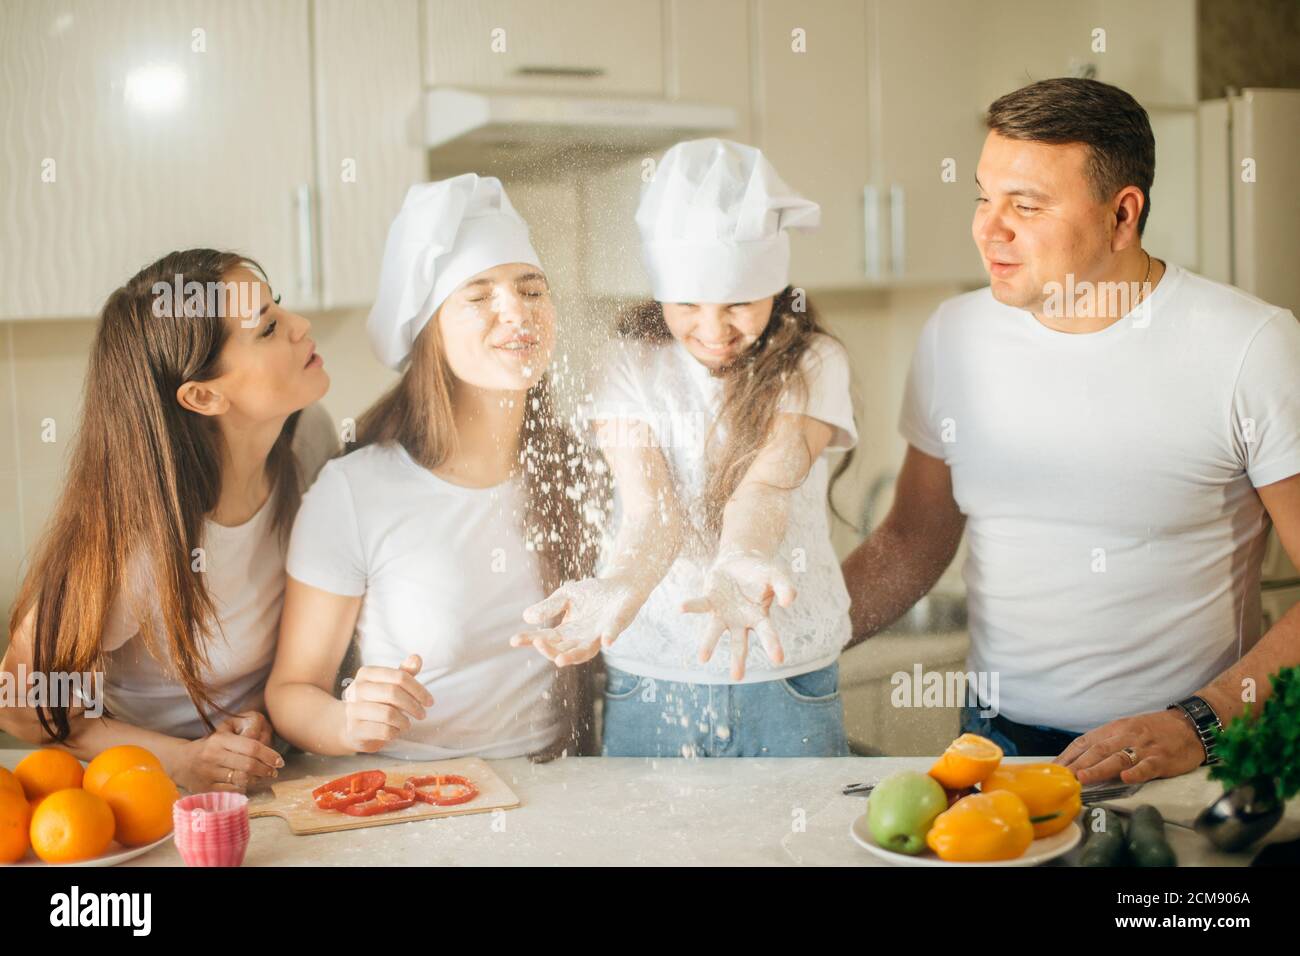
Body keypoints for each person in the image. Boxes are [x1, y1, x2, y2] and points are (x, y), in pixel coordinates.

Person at [841, 78, 1300, 783]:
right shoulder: (954, 336)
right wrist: (792, 639)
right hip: (994, 749)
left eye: (1025, 206)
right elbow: (911, 540)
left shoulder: (1251, 346)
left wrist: (1197, 723)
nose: (988, 229)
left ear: (1122, 215)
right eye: (982, 197)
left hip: (1185, 756)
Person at [514, 139, 859, 757]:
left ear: (777, 289)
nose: (712, 329)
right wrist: (622, 583)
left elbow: (769, 482)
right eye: (687, 305)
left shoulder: (812, 359)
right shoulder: (630, 361)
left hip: (786, 680)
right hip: (651, 679)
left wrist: (742, 556)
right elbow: (652, 509)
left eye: (739, 305)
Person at [266, 175, 604, 761]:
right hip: (416, 803)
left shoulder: (579, 469)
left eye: (531, 290)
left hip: (560, 799)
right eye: (478, 296)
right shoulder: (356, 491)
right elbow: (293, 693)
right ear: (431, 333)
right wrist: (348, 721)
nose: (517, 312)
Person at [1, 249, 336, 793]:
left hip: (272, 776)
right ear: (203, 395)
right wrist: (181, 760)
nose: (301, 327)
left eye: (280, 308)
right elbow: (21, 710)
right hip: (149, 797)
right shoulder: (135, 548)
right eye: (269, 328)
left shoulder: (309, 439)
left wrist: (262, 721)